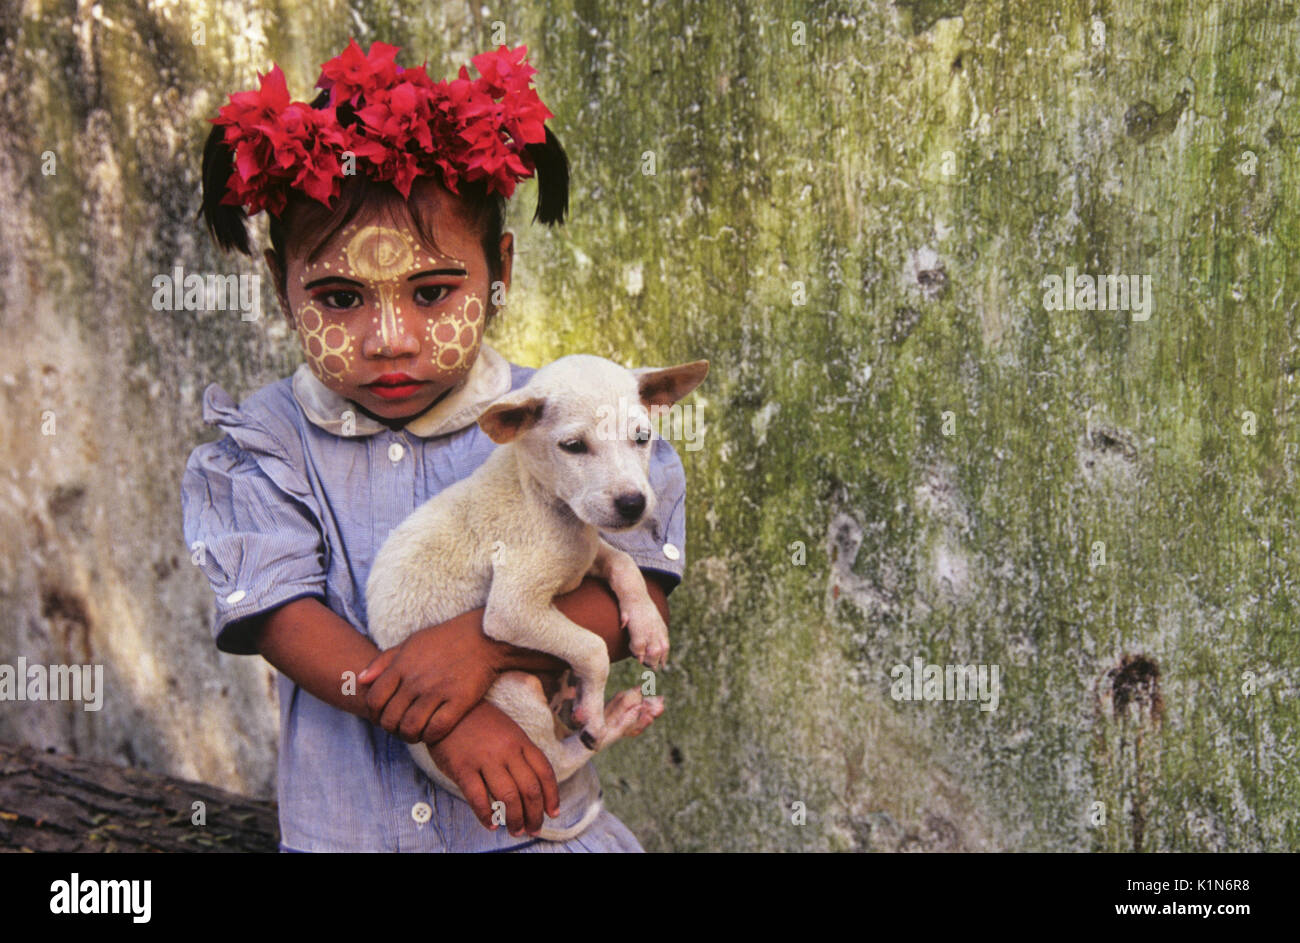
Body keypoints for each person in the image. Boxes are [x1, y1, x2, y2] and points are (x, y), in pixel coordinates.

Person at [180, 40, 687, 852]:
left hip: (536, 833)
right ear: (283, 286)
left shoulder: (577, 420)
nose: (390, 338)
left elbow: (640, 599)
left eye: (433, 292)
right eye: (339, 297)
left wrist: (480, 648)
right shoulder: (264, 444)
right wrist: (447, 719)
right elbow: (280, 615)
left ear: (500, 271)